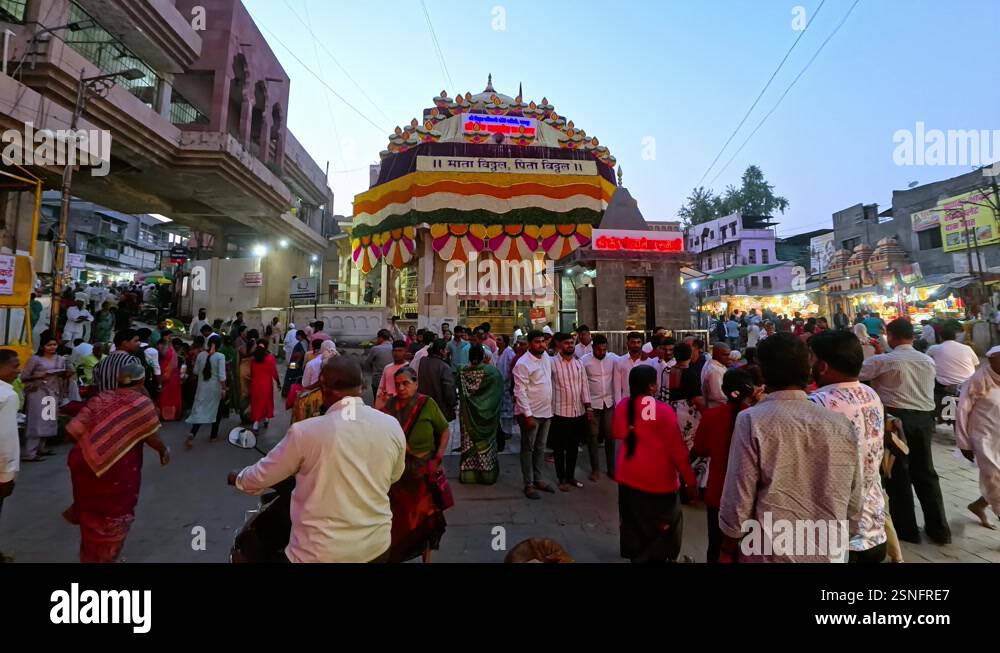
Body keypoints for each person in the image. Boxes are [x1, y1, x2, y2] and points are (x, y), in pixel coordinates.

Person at [230, 357, 406, 563]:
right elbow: (395, 475)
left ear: (324, 388)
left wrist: (239, 478)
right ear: (361, 387)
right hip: (376, 547)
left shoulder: (305, 432)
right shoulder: (391, 425)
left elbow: (260, 476)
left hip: (318, 553)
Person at [719, 333, 863, 563]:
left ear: (763, 371)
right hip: (827, 550)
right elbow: (854, 500)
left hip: (771, 550)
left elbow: (739, 498)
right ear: (808, 369)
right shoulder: (840, 423)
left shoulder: (752, 420)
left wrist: (727, 546)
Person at [63, 363, 169, 563]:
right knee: (114, 515)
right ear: (141, 380)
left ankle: (90, 555)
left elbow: (73, 430)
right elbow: (152, 436)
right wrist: (164, 451)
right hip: (119, 470)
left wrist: (95, 442)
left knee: (91, 513)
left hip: (84, 464)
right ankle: (106, 557)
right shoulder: (141, 403)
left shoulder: (102, 397)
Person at [860, 318, 950, 545]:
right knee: (926, 473)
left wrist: (879, 355)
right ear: (912, 336)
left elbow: (859, 374)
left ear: (890, 335)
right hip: (924, 420)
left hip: (896, 421)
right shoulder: (927, 360)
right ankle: (939, 529)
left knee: (898, 474)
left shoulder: (884, 360)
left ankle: (907, 530)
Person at [808, 330, 888, 563]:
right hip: (873, 521)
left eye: (812, 358)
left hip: (839, 533)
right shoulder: (870, 393)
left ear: (822, 366)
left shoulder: (816, 403)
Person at [613, 364, 698, 563]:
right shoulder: (664, 410)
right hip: (660, 482)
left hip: (628, 476)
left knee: (633, 522)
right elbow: (677, 451)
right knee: (664, 527)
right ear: (652, 386)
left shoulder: (623, 405)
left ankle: (637, 556)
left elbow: (617, 433)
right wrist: (690, 481)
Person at [381, 366, 450, 562]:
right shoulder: (390, 407)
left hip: (423, 471)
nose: (401, 388)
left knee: (426, 520)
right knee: (398, 520)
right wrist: (379, 408)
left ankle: (426, 559)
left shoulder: (427, 404)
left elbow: (444, 429)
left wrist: (439, 456)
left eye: (406, 383)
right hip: (397, 473)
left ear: (415, 383)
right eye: (398, 384)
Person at [693, 368, 756, 562]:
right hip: (750, 496)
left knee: (716, 545)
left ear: (723, 389)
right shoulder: (756, 417)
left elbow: (701, 449)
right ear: (751, 390)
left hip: (718, 493)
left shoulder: (712, 416)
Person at [956, 346, 1000, 529]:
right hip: (983, 439)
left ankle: (978, 505)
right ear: (991, 360)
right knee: (995, 478)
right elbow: (961, 412)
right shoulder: (977, 380)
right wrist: (963, 443)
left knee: (996, 480)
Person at [514, 330, 556, 500]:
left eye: (543, 341)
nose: (541, 345)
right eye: (537, 342)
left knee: (540, 447)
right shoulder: (522, 364)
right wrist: (528, 416)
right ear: (530, 343)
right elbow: (520, 391)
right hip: (530, 414)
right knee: (528, 449)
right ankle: (528, 483)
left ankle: (539, 479)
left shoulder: (546, 357)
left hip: (546, 411)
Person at [549, 332, 592, 492]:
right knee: (559, 448)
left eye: (572, 343)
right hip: (559, 412)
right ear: (560, 345)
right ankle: (561, 479)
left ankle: (571, 476)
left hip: (577, 412)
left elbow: (584, 386)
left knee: (574, 447)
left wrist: (588, 407)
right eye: (566, 343)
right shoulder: (552, 363)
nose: (570, 346)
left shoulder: (578, 364)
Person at [20, 333, 71, 461]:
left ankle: (41, 448)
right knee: (36, 420)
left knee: (48, 419)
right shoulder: (35, 359)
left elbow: (64, 375)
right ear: (43, 346)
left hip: (53, 392)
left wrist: (66, 374)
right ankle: (29, 453)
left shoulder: (60, 359)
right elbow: (24, 377)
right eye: (49, 345)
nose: (52, 347)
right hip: (38, 392)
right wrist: (39, 376)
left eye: (54, 344)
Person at [457, 345, 503, 485]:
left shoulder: (462, 372)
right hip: (487, 416)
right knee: (486, 445)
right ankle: (486, 475)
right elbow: (498, 393)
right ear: (484, 355)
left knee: (468, 443)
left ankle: (469, 475)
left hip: (467, 417)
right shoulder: (492, 372)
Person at [581, 334, 616, 481]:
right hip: (592, 405)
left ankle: (611, 469)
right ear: (593, 347)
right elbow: (582, 384)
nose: (601, 352)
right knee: (593, 437)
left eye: (604, 350)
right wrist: (587, 406)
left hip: (608, 403)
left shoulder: (613, 359)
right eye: (598, 350)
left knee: (610, 437)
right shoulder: (584, 361)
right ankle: (595, 469)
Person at [927, 326, 980, 420]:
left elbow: (926, 362)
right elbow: (976, 364)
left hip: (943, 385)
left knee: (929, 389)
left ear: (940, 337)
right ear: (955, 337)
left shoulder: (934, 348)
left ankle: (934, 418)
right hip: (967, 384)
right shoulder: (967, 348)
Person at [186, 335, 228, 447]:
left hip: (202, 389)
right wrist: (224, 388)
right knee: (217, 412)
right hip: (215, 389)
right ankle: (213, 436)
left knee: (200, 412)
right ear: (220, 345)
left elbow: (195, 371)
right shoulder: (220, 357)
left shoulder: (200, 355)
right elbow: (222, 377)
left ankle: (192, 433)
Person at [0, 350, 21, 562]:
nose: (18, 370)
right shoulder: (7, 395)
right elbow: (5, 438)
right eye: (14, 366)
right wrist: (7, 474)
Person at [417, 340, 457, 425]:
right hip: (439, 408)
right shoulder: (444, 366)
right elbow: (449, 391)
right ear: (441, 351)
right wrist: (452, 403)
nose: (447, 352)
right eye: (446, 350)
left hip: (423, 404)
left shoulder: (422, 361)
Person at [249, 340, 280, 430]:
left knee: (256, 403)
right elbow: (274, 372)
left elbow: (252, 373)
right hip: (266, 384)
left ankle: (256, 423)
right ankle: (266, 419)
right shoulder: (270, 358)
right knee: (267, 401)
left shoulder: (253, 360)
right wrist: (278, 382)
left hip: (255, 384)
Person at [494, 335, 518, 451]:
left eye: (499, 339)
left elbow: (512, 367)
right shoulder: (496, 352)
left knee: (508, 408)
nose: (497, 341)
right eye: (497, 339)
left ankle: (507, 431)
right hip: (498, 385)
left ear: (505, 342)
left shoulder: (509, 353)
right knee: (500, 407)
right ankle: (502, 430)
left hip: (507, 384)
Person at [613, 332, 646, 405]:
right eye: (633, 342)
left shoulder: (648, 361)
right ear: (627, 343)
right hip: (626, 402)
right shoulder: (619, 361)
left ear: (642, 344)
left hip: (645, 403)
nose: (636, 345)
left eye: (638, 342)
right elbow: (617, 388)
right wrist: (619, 405)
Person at [375, 340, 409, 410]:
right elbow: (381, 388)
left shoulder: (409, 368)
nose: (396, 353)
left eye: (400, 351)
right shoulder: (387, 368)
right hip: (388, 405)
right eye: (395, 350)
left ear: (405, 352)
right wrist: (378, 405)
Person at [157, 334, 183, 422]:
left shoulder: (168, 351)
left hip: (168, 374)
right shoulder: (172, 351)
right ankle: (171, 415)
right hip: (173, 375)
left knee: (166, 396)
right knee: (171, 395)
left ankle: (166, 416)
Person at [701, 342, 730, 409]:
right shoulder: (715, 370)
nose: (728, 357)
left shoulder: (710, 363)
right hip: (718, 408)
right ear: (716, 354)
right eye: (725, 355)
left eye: (728, 355)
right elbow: (718, 395)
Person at [281, 330, 308, 398]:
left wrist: (296, 363)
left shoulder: (302, 343)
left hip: (296, 363)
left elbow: (302, 353)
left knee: (290, 376)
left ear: (299, 336)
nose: (295, 337)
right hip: (295, 363)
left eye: (296, 335)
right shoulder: (303, 342)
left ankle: (288, 392)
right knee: (291, 376)